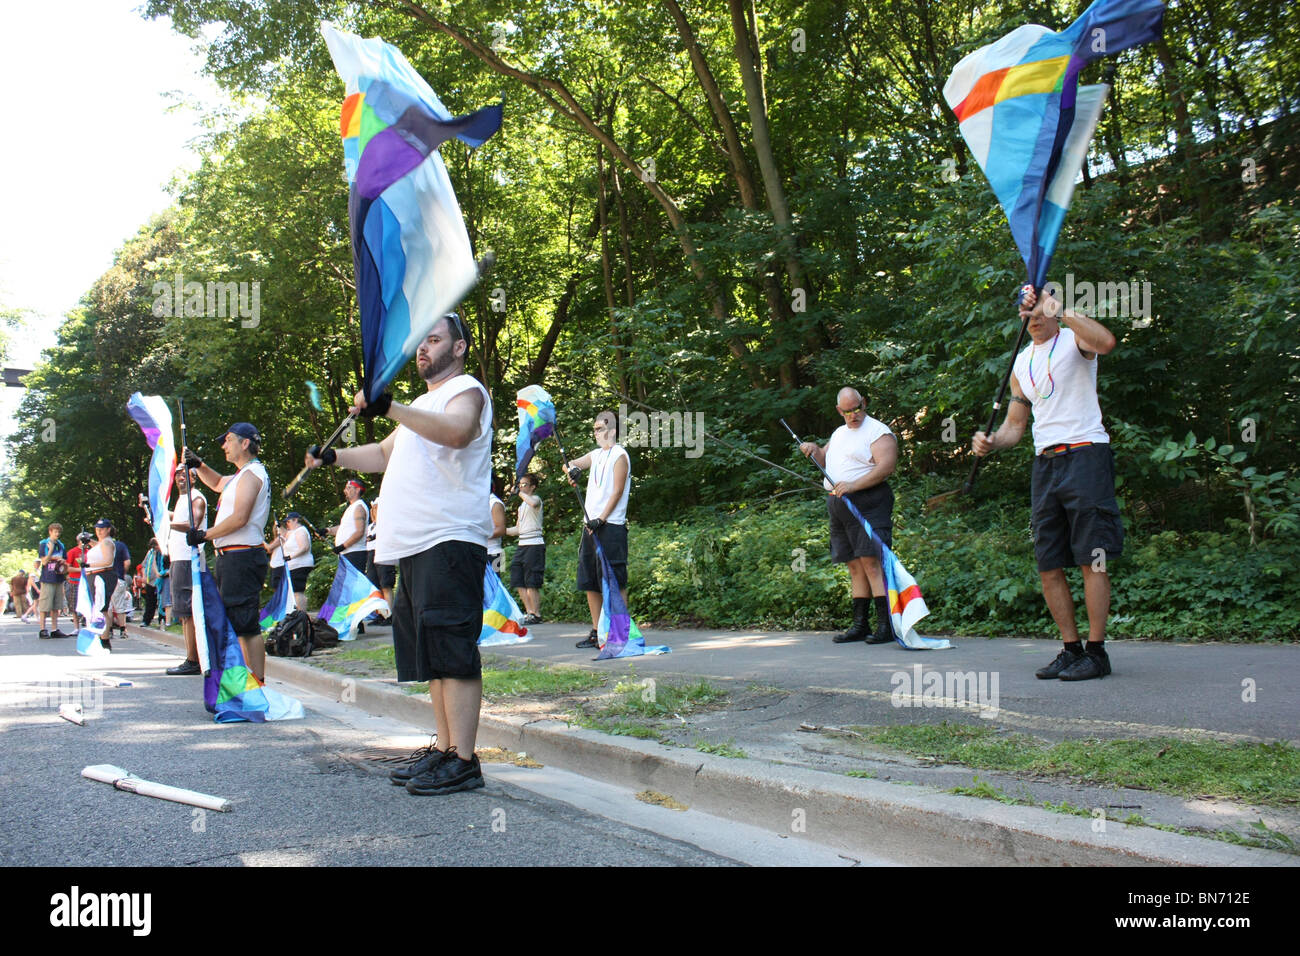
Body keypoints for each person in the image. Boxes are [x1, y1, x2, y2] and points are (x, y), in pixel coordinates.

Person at [306, 312, 491, 795]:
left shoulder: (466, 390)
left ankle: (466, 760)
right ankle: (447, 749)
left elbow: (457, 432)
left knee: (453, 648)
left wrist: (387, 405)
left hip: (449, 539)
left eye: (435, 340)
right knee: (431, 655)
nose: (423, 349)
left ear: (460, 347)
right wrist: (335, 457)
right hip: (415, 546)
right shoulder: (422, 407)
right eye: (421, 342)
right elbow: (386, 455)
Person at [972, 285, 1123, 682]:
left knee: (1093, 557)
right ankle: (1071, 649)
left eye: (1042, 311)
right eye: (1029, 312)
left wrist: (1061, 306)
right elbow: (1014, 427)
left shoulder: (1075, 340)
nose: (1035, 318)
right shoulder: (1022, 363)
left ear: (1053, 310)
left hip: (1086, 454)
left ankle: (1097, 652)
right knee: (1048, 563)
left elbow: (1106, 342)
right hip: (1046, 463)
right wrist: (991, 443)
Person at [799, 387, 899, 646]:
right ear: (839, 411)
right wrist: (812, 449)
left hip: (868, 501)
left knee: (871, 561)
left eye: (857, 408)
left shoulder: (878, 432)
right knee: (853, 564)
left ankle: (885, 626)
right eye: (847, 411)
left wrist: (854, 486)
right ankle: (859, 624)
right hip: (839, 503)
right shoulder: (839, 433)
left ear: (864, 403)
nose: (853, 415)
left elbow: (886, 467)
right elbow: (824, 456)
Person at [183, 422, 271, 682]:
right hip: (230, 558)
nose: (224, 445)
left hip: (242, 557)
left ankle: (255, 684)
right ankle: (247, 682)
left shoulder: (253, 474)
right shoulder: (239, 476)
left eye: (229, 440)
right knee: (238, 624)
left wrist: (204, 534)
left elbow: (240, 517)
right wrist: (198, 464)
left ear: (245, 443)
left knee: (245, 625)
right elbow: (218, 482)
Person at [564, 410, 631, 650]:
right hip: (589, 527)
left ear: (612, 430)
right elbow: (570, 464)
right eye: (593, 428)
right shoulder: (596, 455)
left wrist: (601, 519)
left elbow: (617, 491)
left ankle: (621, 634)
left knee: (615, 580)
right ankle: (597, 632)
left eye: (599, 428)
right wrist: (572, 471)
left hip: (610, 527)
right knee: (590, 581)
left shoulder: (620, 455)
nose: (595, 432)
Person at [165, 462, 208, 675]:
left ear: (194, 477)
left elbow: (193, 524)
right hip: (178, 559)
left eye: (185, 474)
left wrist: (166, 523)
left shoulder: (196, 497)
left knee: (188, 611)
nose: (181, 478)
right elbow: (179, 518)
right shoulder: (183, 499)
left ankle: (193, 660)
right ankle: (191, 657)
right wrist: (162, 515)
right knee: (183, 612)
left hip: (187, 560)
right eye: (178, 475)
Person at [507, 472, 545, 624]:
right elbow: (517, 529)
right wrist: (497, 529)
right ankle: (529, 612)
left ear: (532, 487)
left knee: (531, 581)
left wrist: (519, 493)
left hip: (534, 544)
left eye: (524, 485)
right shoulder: (522, 506)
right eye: (520, 484)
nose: (521, 487)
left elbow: (533, 503)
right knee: (517, 579)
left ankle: (536, 613)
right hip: (522, 544)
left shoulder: (535, 499)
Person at [83, 520, 118, 651]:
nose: (99, 531)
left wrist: (87, 565)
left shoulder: (108, 542)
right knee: (99, 607)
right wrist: (89, 541)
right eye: (97, 528)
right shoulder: (102, 543)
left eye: (102, 529)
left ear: (108, 529)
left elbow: (107, 561)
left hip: (102, 575)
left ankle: (104, 639)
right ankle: (102, 637)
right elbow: (98, 547)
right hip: (96, 575)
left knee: (102, 607)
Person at [364, 498, 395, 625]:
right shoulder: (371, 526)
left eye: (376, 508)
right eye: (373, 508)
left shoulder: (386, 523)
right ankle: (380, 614)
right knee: (375, 586)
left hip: (383, 553)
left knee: (385, 584)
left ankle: (390, 615)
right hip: (371, 554)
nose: (373, 511)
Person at [36, 522, 71, 638]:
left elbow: (65, 561)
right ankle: (42, 629)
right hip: (47, 578)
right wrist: (51, 552)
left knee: (56, 605)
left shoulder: (61, 545)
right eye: (55, 531)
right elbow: (44, 561)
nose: (57, 534)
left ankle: (54, 629)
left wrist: (62, 562)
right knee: (45, 605)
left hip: (58, 577)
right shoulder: (44, 544)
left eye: (59, 532)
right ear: (50, 532)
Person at [329, 480, 370, 573]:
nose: (344, 490)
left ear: (357, 490)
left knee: (354, 586)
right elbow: (342, 528)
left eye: (348, 487)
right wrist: (327, 530)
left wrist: (343, 546)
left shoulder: (359, 507)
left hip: (355, 554)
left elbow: (360, 531)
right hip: (347, 554)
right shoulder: (351, 508)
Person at [282, 512, 315, 613]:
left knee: (298, 592)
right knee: (294, 592)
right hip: (293, 566)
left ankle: (302, 616)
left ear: (295, 520)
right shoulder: (292, 533)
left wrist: (290, 557)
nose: (287, 524)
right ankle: (299, 615)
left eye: (289, 521)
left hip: (300, 565)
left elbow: (304, 547)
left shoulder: (301, 531)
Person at [107, 525, 132, 637]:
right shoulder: (121, 546)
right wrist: (123, 572)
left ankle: (109, 629)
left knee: (108, 606)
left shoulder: (101, 546)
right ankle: (123, 630)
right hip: (118, 578)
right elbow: (127, 562)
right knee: (120, 605)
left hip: (105, 578)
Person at [64, 531, 90, 629]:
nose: (88, 542)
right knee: (74, 606)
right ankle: (76, 628)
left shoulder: (90, 552)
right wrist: (81, 569)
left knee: (88, 604)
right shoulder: (72, 552)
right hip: (75, 581)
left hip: (87, 582)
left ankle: (88, 625)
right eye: (86, 539)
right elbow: (67, 568)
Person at [141, 539, 165, 627]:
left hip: (161, 580)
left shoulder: (164, 552)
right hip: (150, 581)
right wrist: (144, 575)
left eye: (156, 546)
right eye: (154, 547)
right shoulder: (150, 553)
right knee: (149, 602)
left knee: (162, 601)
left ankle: (162, 620)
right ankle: (146, 620)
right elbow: (143, 565)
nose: (156, 549)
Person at [487, 474, 506, 574]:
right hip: (481, 551)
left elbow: (501, 529)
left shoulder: (495, 503)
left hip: (495, 552)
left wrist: (479, 535)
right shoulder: (480, 502)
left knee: (495, 587)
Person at [265, 519, 287, 598]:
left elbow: (269, 548)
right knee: (276, 586)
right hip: (275, 565)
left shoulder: (281, 538)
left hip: (279, 565)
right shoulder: (277, 539)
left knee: (278, 587)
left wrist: (262, 541)